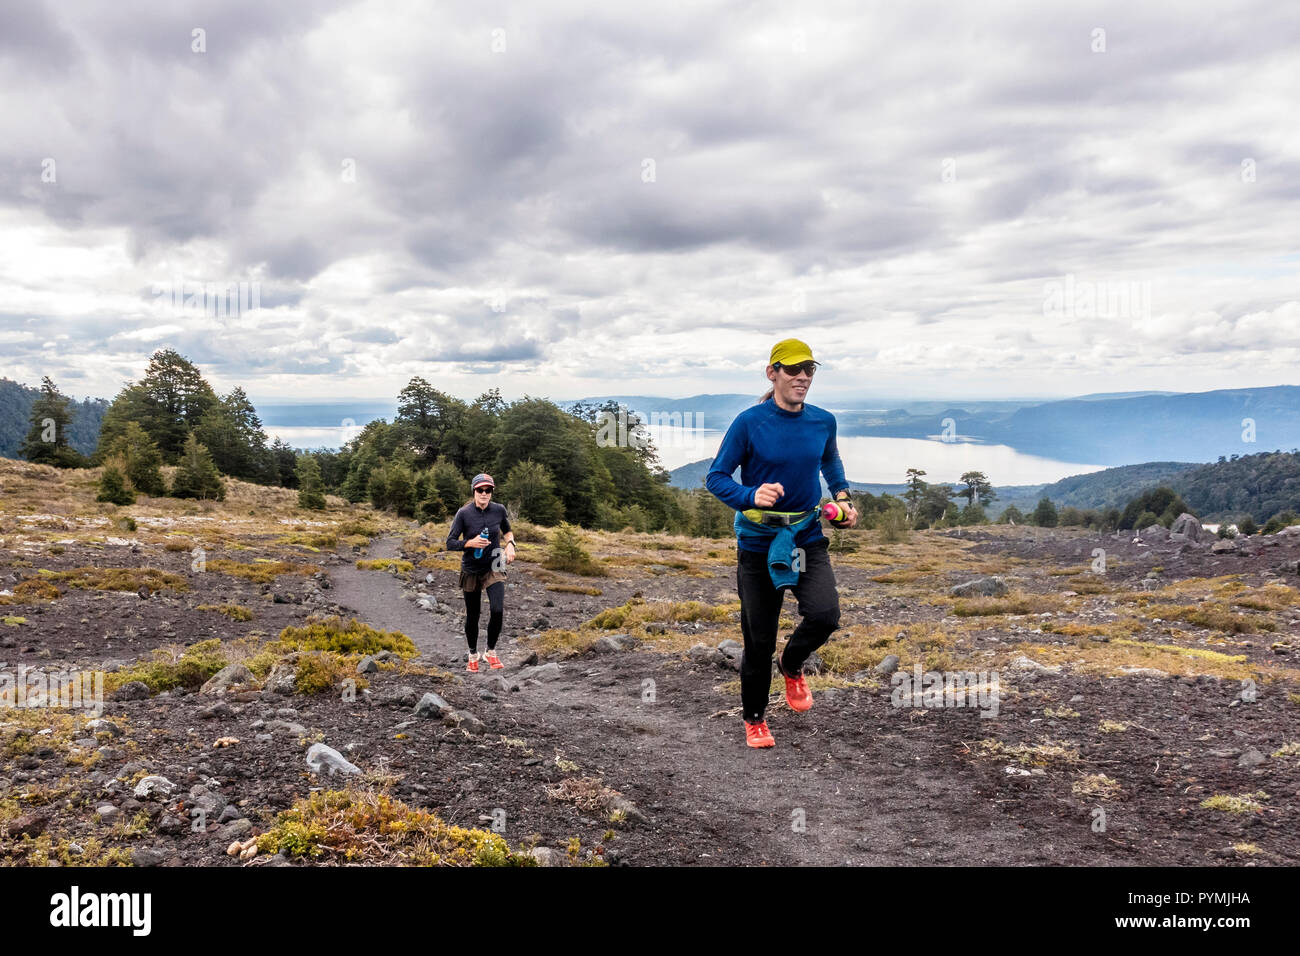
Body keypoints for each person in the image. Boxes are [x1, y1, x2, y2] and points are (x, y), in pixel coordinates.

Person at [706, 338, 858, 748]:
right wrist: (749, 495)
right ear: (772, 373)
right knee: (759, 637)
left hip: (805, 537)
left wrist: (842, 498)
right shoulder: (749, 422)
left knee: (825, 615)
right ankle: (754, 718)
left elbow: (830, 460)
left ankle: (791, 664)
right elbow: (716, 477)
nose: (803, 377)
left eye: (809, 369)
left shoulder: (823, 421)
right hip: (758, 543)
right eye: (793, 370)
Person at [445, 473, 516, 672]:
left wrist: (510, 544)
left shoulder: (499, 510)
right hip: (471, 568)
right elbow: (450, 543)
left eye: (488, 490)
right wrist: (470, 543)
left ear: (492, 491)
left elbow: (507, 531)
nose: (484, 493)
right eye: (480, 490)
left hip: (495, 563)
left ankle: (490, 652)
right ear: (474, 491)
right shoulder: (464, 513)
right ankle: (473, 654)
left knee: (497, 609)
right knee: (473, 615)